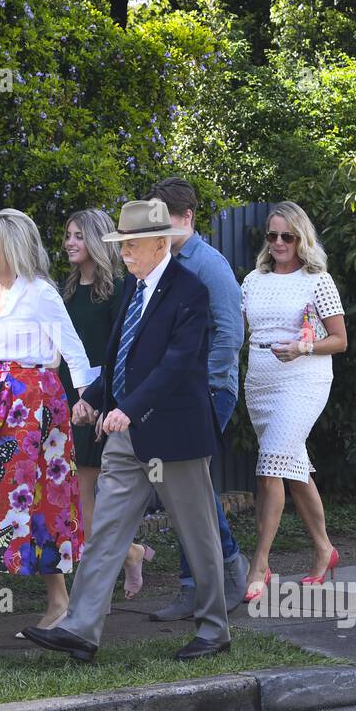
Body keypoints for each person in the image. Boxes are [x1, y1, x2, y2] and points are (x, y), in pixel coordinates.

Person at [23, 199, 232, 663]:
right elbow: (121, 357)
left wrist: (130, 409)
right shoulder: (135, 290)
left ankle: (214, 629)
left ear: (162, 243)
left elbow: (176, 365)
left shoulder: (189, 292)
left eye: (132, 245)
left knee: (197, 534)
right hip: (123, 435)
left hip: (173, 435)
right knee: (105, 533)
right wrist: (92, 400)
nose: (124, 254)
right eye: (121, 246)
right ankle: (81, 628)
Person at [0, 209, 98, 648]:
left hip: (35, 406)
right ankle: (59, 603)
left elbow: (74, 352)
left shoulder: (41, 294)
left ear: (12, 248)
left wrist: (88, 400)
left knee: (5, 504)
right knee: (30, 505)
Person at [145, 177, 250, 617]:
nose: (159, 230)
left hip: (210, 392)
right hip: (178, 394)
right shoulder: (163, 263)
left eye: (165, 220)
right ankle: (200, 582)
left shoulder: (209, 265)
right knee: (185, 489)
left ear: (187, 217)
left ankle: (221, 571)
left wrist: (202, 388)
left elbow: (230, 335)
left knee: (191, 488)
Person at [240, 202, 348, 600]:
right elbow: (238, 332)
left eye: (288, 236)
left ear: (302, 239)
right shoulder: (252, 280)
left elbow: (339, 340)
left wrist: (304, 348)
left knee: (270, 465)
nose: (280, 243)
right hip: (261, 384)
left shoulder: (317, 280)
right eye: (273, 236)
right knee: (292, 467)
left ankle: (260, 565)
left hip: (304, 380)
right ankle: (324, 550)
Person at [59, 209, 151, 599]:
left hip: (99, 398)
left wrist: (103, 401)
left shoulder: (116, 288)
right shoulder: (65, 290)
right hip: (68, 396)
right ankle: (128, 554)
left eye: (79, 236)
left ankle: (93, 588)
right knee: (77, 496)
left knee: (90, 496)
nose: (70, 242)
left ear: (96, 239)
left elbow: (122, 354)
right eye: (67, 236)